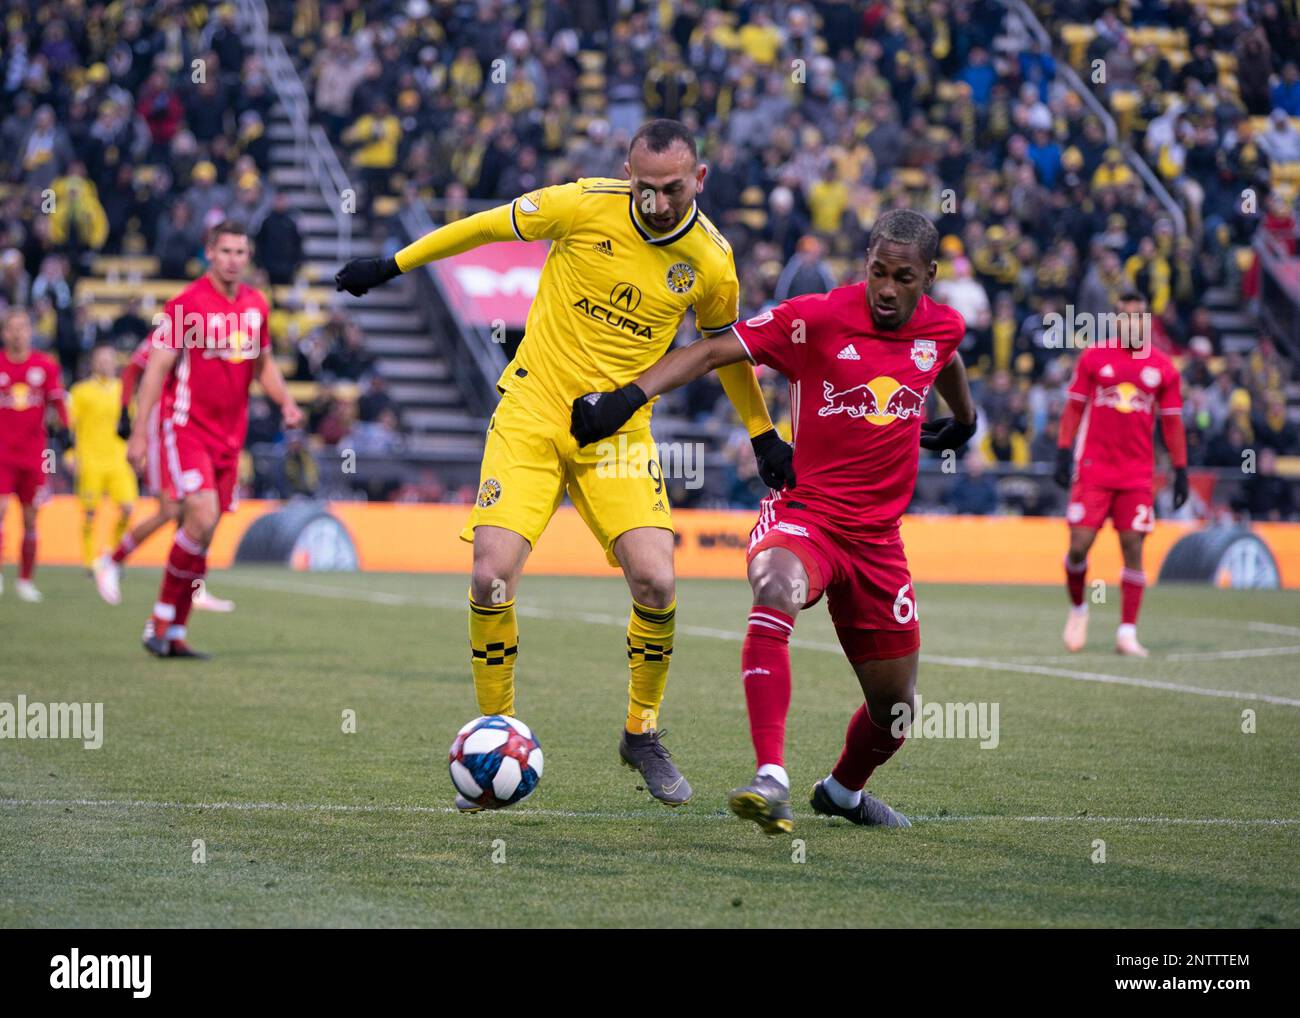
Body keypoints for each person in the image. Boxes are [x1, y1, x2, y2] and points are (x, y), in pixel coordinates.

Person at [336, 119, 795, 811]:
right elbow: (486, 226)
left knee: (657, 582)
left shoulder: (711, 262)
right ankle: (496, 728)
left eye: (673, 189)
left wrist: (762, 434)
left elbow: (720, 348)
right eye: (645, 187)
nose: (658, 202)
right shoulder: (583, 202)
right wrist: (393, 264)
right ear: (627, 172)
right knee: (491, 578)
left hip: (618, 432)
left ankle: (641, 732)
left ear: (699, 180)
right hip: (532, 413)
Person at [570, 209, 976, 833]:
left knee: (895, 711)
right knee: (774, 587)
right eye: (877, 272)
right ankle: (771, 776)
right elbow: (711, 350)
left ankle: (841, 792)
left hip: (879, 544)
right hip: (807, 516)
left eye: (903, 277)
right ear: (864, 262)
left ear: (929, 276)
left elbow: (945, 354)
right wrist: (625, 399)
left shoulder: (943, 326)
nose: (888, 289)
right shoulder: (815, 317)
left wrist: (965, 418)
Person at [125, 221, 302, 657]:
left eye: (240, 252)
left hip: (229, 438)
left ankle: (173, 631)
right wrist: (138, 435)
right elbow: (156, 370)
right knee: (200, 516)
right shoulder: (186, 305)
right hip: (186, 428)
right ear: (209, 252)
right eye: (225, 251)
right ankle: (160, 620)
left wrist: (286, 402)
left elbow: (263, 365)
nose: (233, 259)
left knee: (204, 533)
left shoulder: (256, 305)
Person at [1054, 292, 1188, 658]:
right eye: (1126, 317)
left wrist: (1180, 470)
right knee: (1079, 546)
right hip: (1094, 470)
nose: (1132, 323)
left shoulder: (1163, 368)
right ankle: (1079, 608)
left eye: (1138, 316)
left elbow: (1173, 424)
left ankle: (1127, 632)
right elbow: (1073, 409)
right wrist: (1064, 451)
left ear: (1147, 321)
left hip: (1137, 475)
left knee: (1133, 549)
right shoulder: (1094, 358)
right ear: (1116, 321)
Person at [92, 335, 234, 612]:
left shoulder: (213, 327)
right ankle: (112, 561)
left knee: (199, 513)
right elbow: (134, 368)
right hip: (164, 424)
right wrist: (126, 415)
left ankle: (194, 587)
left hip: (195, 426)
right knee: (170, 509)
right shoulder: (175, 325)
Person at [0, 308, 67, 602]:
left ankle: (25, 580)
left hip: (33, 454)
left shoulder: (45, 365)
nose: (17, 333)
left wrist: (66, 431)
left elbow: (57, 401)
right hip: (2, 454)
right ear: (4, 333)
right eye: (12, 328)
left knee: (30, 518)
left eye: (22, 328)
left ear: (30, 331)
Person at [68, 344, 136, 573]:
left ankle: (114, 557)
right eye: (101, 359)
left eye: (109, 359)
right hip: (90, 460)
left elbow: (132, 425)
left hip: (119, 460)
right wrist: (70, 454)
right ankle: (89, 562)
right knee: (89, 513)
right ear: (93, 363)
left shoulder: (123, 390)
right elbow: (69, 426)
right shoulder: (80, 391)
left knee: (128, 508)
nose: (106, 363)